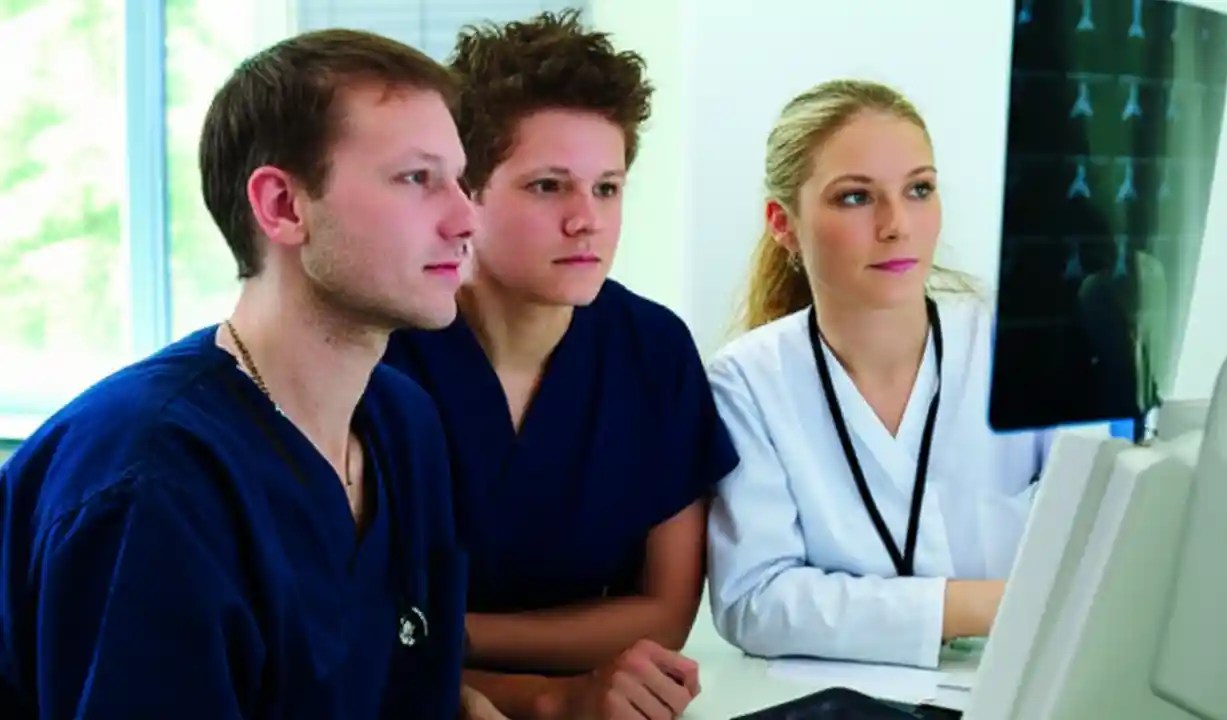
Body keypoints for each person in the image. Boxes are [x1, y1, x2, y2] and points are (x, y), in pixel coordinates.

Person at [0, 29, 503, 719]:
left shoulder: (403, 424)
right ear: (283, 207)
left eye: (461, 181)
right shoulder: (154, 481)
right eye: (417, 179)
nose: (467, 218)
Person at [381, 10, 739, 719]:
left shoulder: (653, 352)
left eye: (607, 187)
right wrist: (550, 696)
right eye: (548, 186)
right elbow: (341, 627)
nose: (587, 220)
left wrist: (448, 636)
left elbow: (664, 615)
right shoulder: (383, 356)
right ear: (466, 190)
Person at [704, 79, 1055, 670]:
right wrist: (986, 606)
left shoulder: (1026, 344)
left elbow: (1106, 542)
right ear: (783, 223)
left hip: (1031, 684)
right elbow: (754, 601)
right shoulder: (747, 382)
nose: (897, 225)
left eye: (919, 189)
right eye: (855, 197)